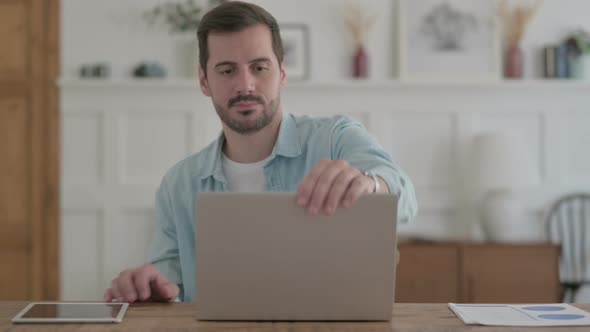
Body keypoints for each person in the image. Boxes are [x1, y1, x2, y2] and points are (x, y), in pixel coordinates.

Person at [104, 1, 417, 304]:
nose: (245, 85)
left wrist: (370, 184)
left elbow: (404, 196)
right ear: (204, 81)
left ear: (281, 74)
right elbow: (171, 282)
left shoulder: (335, 139)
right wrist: (150, 288)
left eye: (259, 67)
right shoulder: (179, 184)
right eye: (227, 70)